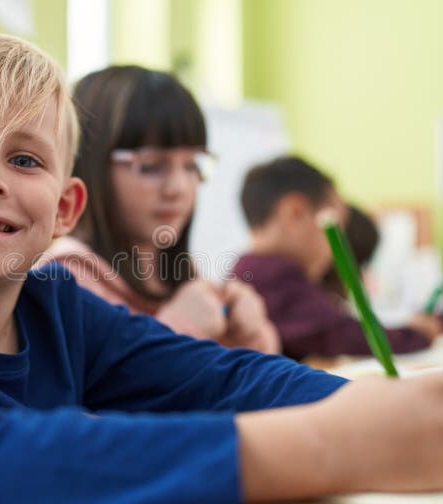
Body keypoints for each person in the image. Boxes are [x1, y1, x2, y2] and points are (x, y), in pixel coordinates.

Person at [0, 27, 443, 503]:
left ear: (63, 208)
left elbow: (223, 377)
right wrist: (322, 444)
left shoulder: (56, 306)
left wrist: (424, 417)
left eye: (23, 158)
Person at [46, 65, 278, 353]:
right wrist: (180, 326)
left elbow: (244, 387)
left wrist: (250, 335)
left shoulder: (182, 274)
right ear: (90, 165)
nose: (178, 188)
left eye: (193, 165)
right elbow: (95, 392)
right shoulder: (66, 279)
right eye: (151, 166)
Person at [232, 155, 443, 361]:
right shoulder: (275, 277)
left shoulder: (254, 271)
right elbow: (339, 335)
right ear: (295, 213)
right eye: (337, 225)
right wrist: (414, 335)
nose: (340, 242)